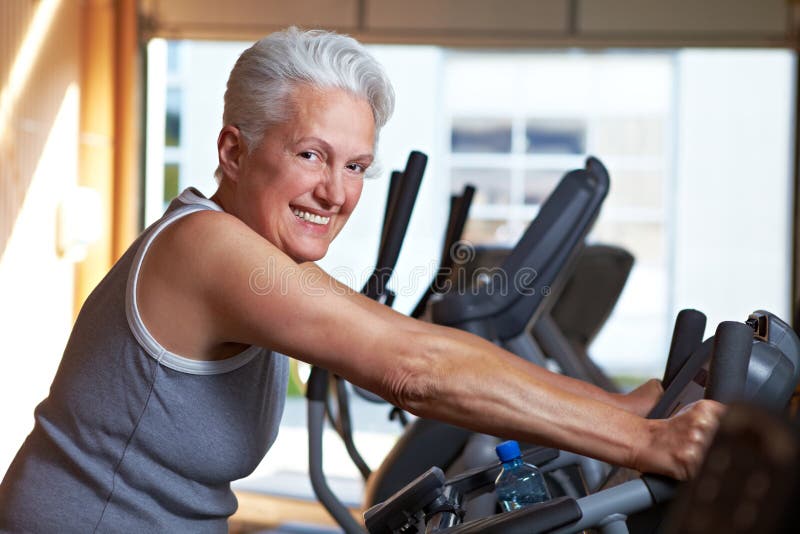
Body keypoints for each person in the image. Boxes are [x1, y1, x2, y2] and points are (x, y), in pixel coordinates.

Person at [0, 27, 723, 532]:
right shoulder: (207, 248)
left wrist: (624, 409)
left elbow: (406, 341)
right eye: (311, 155)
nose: (336, 192)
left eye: (355, 167)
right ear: (233, 151)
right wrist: (642, 444)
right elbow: (414, 368)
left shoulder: (260, 253)